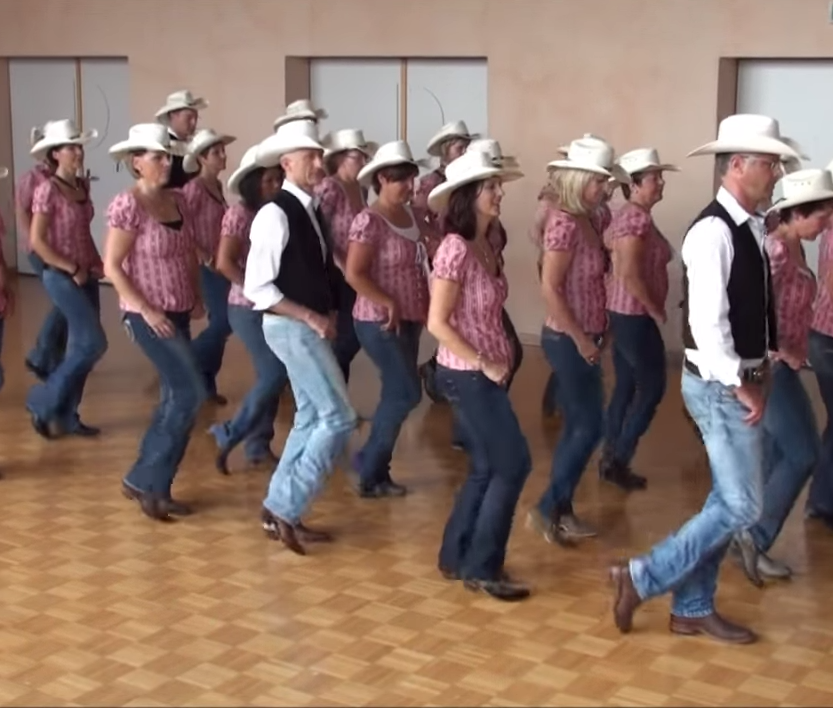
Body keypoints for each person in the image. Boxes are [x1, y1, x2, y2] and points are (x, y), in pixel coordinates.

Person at [610, 114, 797, 644]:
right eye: (769, 161)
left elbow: (748, 308)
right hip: (721, 387)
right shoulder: (713, 231)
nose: (778, 170)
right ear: (737, 165)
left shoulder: (749, 226)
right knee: (742, 505)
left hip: (738, 380)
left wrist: (765, 359)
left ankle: (692, 606)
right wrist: (741, 383)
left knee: (726, 499)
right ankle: (641, 576)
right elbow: (706, 325)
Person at [244, 120, 357, 555]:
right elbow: (259, 288)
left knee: (311, 416)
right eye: (309, 156)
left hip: (302, 327)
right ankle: (287, 507)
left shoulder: (310, 209)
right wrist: (311, 316)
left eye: (318, 154)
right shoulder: (275, 213)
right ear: (286, 163)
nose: (318, 161)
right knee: (339, 417)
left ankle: (278, 508)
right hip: (291, 328)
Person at [427, 149, 530, 601]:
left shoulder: (486, 244)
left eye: (498, 185)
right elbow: (437, 322)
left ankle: (456, 555)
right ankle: (482, 566)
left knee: (487, 468)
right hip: (468, 376)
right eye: (491, 187)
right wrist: (484, 361)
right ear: (469, 196)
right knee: (513, 464)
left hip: (485, 376)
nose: (500, 192)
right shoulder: (454, 249)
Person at [732, 168, 833, 586]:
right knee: (803, 452)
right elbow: (745, 315)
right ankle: (752, 539)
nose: (827, 224)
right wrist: (783, 352)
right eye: (822, 216)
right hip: (767, 369)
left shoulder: (795, 249)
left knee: (773, 458)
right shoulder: (773, 251)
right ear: (799, 213)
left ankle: (748, 541)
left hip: (780, 367)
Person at [154, 90, 208, 189]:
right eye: (189, 118)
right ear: (173, 115)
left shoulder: (195, 143)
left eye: (196, 118)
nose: (194, 123)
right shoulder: (163, 145)